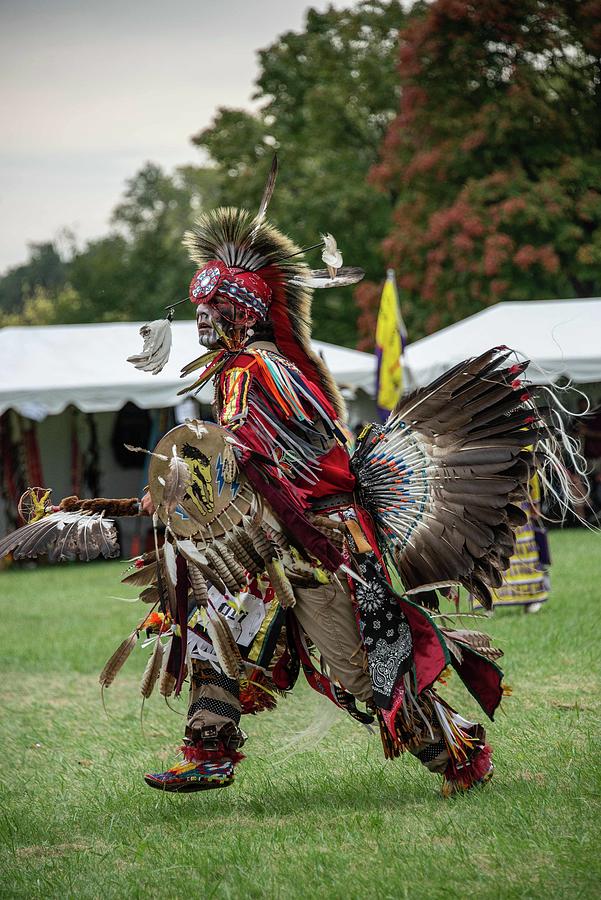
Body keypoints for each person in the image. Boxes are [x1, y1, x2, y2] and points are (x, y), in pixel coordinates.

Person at [134, 182, 540, 798]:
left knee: (358, 671)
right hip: (277, 540)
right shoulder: (256, 368)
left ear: (241, 314)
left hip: (319, 545)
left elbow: (243, 452)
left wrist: (181, 477)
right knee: (211, 620)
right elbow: (240, 455)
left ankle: (459, 754)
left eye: (211, 311)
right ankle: (207, 749)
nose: (200, 324)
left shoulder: (253, 369)